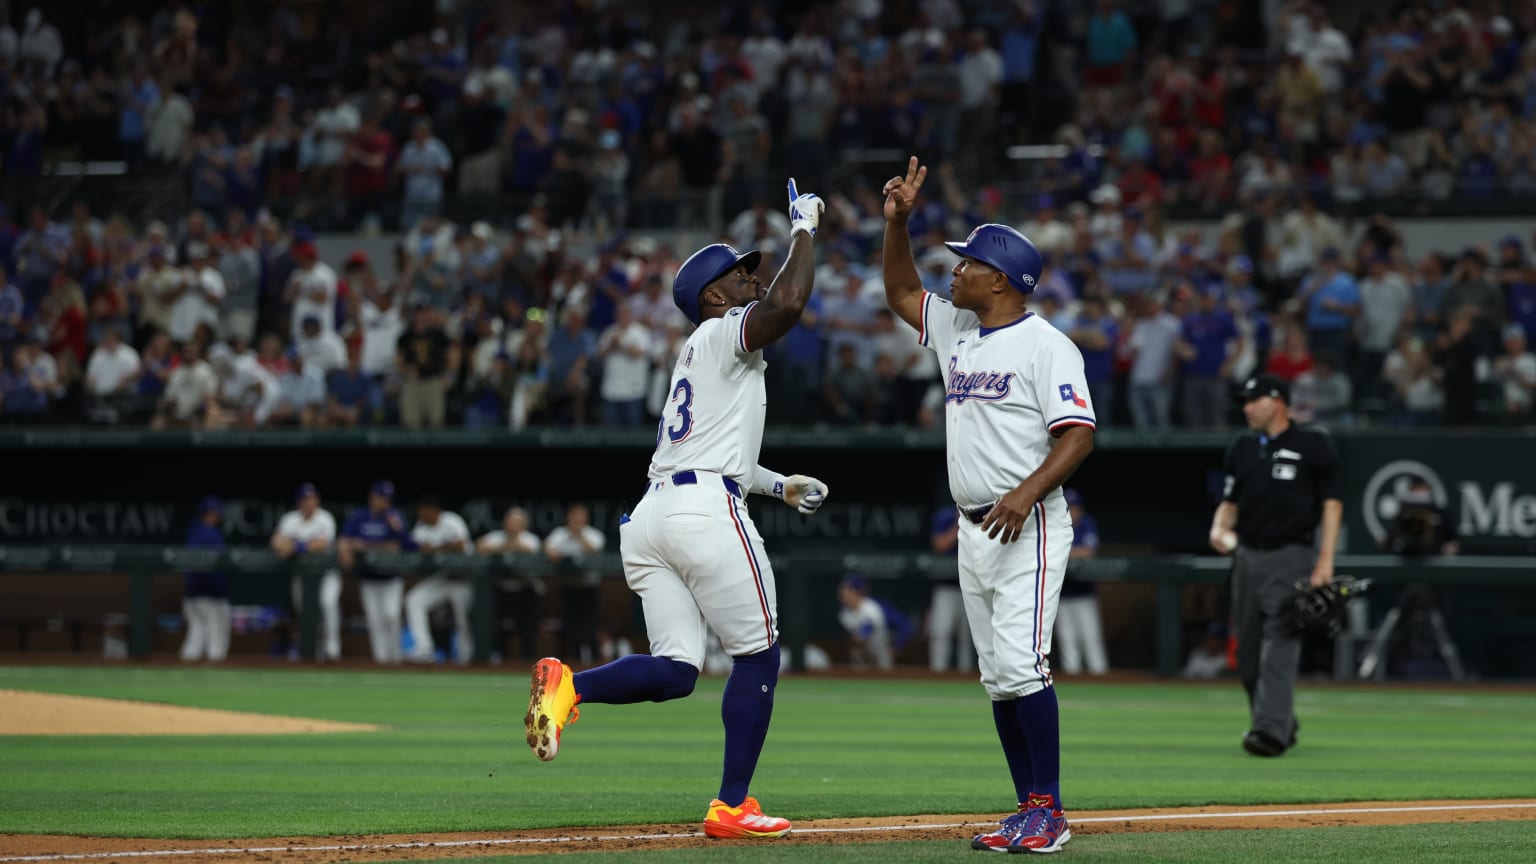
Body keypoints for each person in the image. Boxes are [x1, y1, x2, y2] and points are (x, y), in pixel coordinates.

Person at [524, 179, 828, 840]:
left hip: (655, 518)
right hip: (703, 512)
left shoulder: (699, 356)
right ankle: (732, 805)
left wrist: (778, 487)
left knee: (677, 671)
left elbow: (727, 457)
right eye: (740, 274)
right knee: (760, 655)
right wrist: (804, 229)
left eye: (754, 270)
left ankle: (569, 688)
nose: (754, 279)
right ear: (712, 297)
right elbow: (791, 302)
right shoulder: (722, 334)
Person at [882, 156, 1094, 853]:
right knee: (999, 679)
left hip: (1027, 523)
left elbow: (1079, 434)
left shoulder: (1047, 345)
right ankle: (1026, 808)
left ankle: (1050, 812)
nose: (957, 271)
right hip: (978, 528)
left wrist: (1026, 492)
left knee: (1022, 666)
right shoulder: (959, 332)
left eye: (969, 264)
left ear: (999, 279)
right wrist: (898, 223)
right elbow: (902, 288)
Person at [1207, 374, 1343, 758]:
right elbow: (1230, 503)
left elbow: (1332, 504)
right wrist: (1219, 528)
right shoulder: (1242, 447)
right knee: (1248, 655)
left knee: (1279, 644)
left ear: (1278, 402)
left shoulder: (1312, 443)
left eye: (1254, 400)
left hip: (1291, 554)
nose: (1247, 408)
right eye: (1245, 402)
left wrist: (1325, 560)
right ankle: (1283, 721)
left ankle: (1269, 732)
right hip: (1247, 555)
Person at [338, 480, 412, 664]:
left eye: (387, 498)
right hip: (368, 579)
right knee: (375, 622)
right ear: (372, 497)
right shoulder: (359, 516)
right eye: (380, 497)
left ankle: (396, 659)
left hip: (391, 579)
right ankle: (381, 662)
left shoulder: (395, 517)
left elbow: (403, 546)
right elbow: (344, 540)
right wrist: (345, 550)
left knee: (392, 617)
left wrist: (365, 545)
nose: (384, 502)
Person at [270, 483, 341, 661]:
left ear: (317, 500)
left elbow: (322, 544)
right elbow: (276, 543)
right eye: (305, 499)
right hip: (302, 574)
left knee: (327, 604)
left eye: (312, 499)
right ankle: (311, 650)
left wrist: (295, 545)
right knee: (304, 611)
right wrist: (300, 546)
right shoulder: (290, 519)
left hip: (327, 574)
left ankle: (332, 648)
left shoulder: (325, 518)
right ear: (299, 502)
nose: (309, 503)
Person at [403, 494, 475, 663]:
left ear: (433, 511)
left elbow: (460, 545)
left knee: (463, 620)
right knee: (414, 600)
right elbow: (415, 549)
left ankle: (467, 658)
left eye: (424, 511)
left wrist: (436, 548)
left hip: (463, 578)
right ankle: (423, 648)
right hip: (442, 578)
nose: (421, 515)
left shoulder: (451, 521)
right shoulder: (421, 527)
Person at [477, 507, 544, 661]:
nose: (512, 525)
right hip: (502, 589)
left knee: (527, 628)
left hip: (525, 589)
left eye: (516, 522)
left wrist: (508, 546)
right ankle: (496, 658)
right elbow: (480, 547)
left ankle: (528, 660)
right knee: (494, 624)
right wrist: (506, 546)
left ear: (523, 525)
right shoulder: (497, 536)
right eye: (510, 521)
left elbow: (529, 550)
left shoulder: (530, 538)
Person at [1055, 489, 1109, 675]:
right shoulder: (1056, 525)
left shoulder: (1086, 523)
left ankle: (1099, 676)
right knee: (1067, 639)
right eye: (1068, 508)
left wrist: (1064, 554)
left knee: (1090, 637)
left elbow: (1089, 551)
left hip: (1085, 593)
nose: (1072, 512)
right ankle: (1072, 679)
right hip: (1062, 595)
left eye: (1075, 508)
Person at [180, 495, 230, 662]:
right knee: (216, 631)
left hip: (193, 593)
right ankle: (216, 668)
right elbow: (205, 567)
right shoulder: (208, 534)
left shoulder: (194, 530)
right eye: (211, 512)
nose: (214, 515)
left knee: (197, 631)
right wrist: (217, 590)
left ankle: (187, 667)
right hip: (207, 593)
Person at [927, 505, 974, 672]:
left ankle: (966, 674)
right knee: (941, 631)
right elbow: (940, 545)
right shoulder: (945, 515)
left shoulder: (984, 511)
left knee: (968, 637)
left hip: (972, 584)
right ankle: (937, 673)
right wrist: (960, 524)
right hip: (946, 586)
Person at [837, 575, 896, 670]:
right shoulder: (844, 614)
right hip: (860, 654)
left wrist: (858, 636)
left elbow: (869, 627)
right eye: (842, 589)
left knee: (884, 679)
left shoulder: (871, 607)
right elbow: (848, 637)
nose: (842, 592)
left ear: (856, 591)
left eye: (846, 589)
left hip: (879, 653)